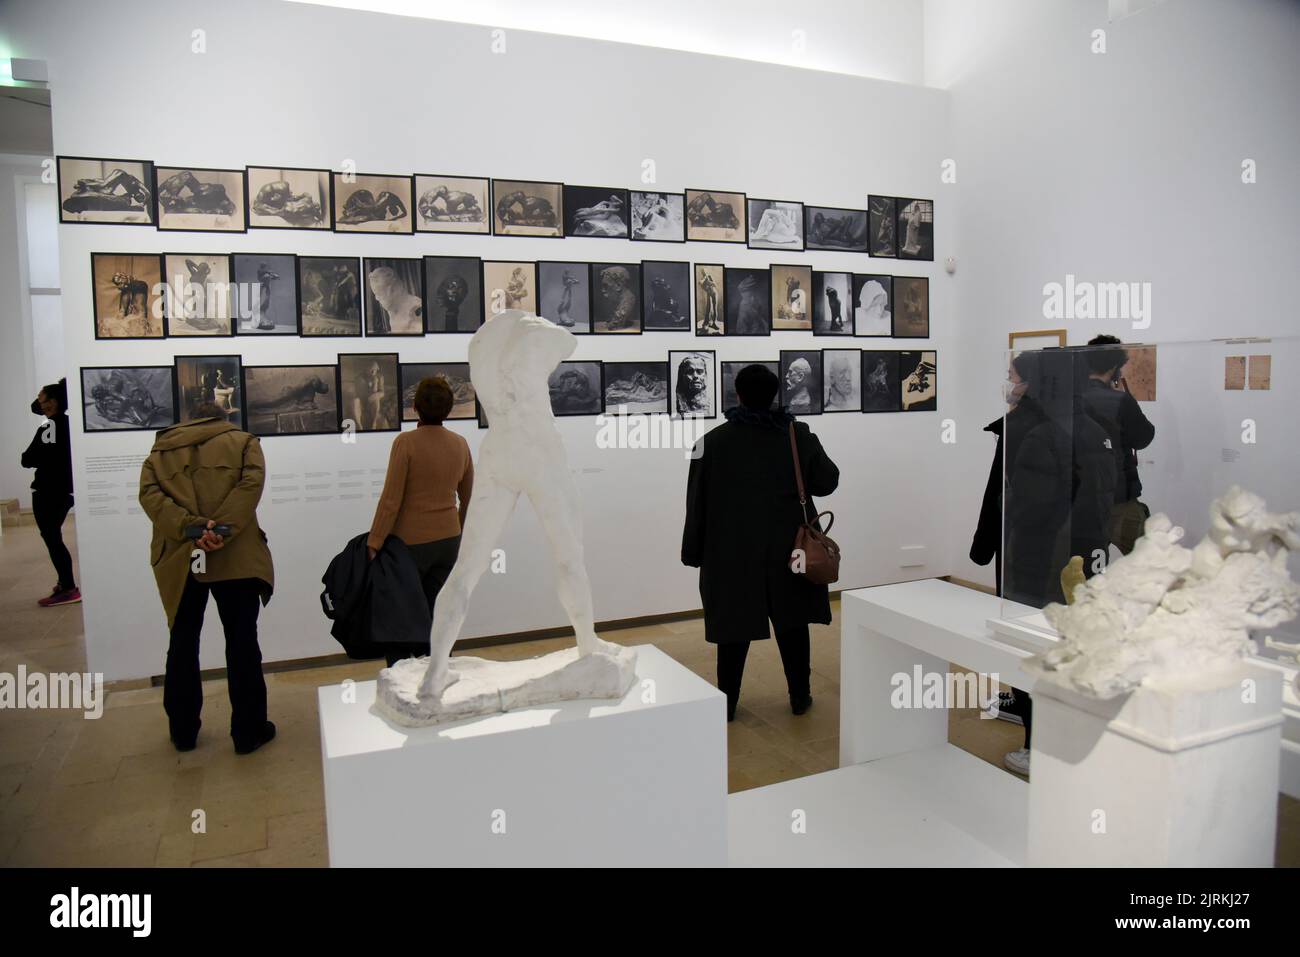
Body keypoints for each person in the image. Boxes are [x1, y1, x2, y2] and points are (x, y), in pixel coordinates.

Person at [682, 364, 840, 721]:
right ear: (774, 397)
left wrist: (693, 552)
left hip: (731, 554)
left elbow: (697, 504)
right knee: (793, 624)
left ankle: (727, 705)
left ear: (738, 395)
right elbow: (827, 482)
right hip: (791, 552)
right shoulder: (796, 435)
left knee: (732, 632)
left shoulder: (710, 443)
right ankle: (800, 697)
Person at [138, 402, 276, 754]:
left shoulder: (161, 450)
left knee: (183, 643)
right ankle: (248, 732)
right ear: (222, 417)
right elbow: (249, 489)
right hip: (236, 557)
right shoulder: (244, 443)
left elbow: (151, 497)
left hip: (182, 558)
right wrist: (220, 532)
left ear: (189, 418)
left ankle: (183, 732)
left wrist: (192, 529)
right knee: (242, 642)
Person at [368, 377, 474, 665]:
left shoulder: (405, 443)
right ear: (449, 409)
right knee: (440, 615)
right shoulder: (460, 444)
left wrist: (375, 541)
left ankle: (403, 680)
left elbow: (391, 500)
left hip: (408, 545)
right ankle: (440, 673)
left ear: (415, 407)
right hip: (448, 541)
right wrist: (460, 534)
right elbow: (468, 499)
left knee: (401, 617)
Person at [1082, 334, 1156, 554]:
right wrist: (1128, 399)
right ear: (1115, 365)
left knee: (1087, 568)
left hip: (1083, 499)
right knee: (1146, 565)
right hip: (1118, 497)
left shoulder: (1073, 397)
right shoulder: (1120, 400)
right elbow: (1143, 438)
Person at [22, 379, 79, 606]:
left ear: (52, 403)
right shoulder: (69, 425)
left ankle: (68, 586)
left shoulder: (48, 427)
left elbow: (27, 459)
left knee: (53, 539)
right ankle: (65, 582)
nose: (38, 403)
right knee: (54, 538)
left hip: (47, 491)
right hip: (64, 491)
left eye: (41, 398)